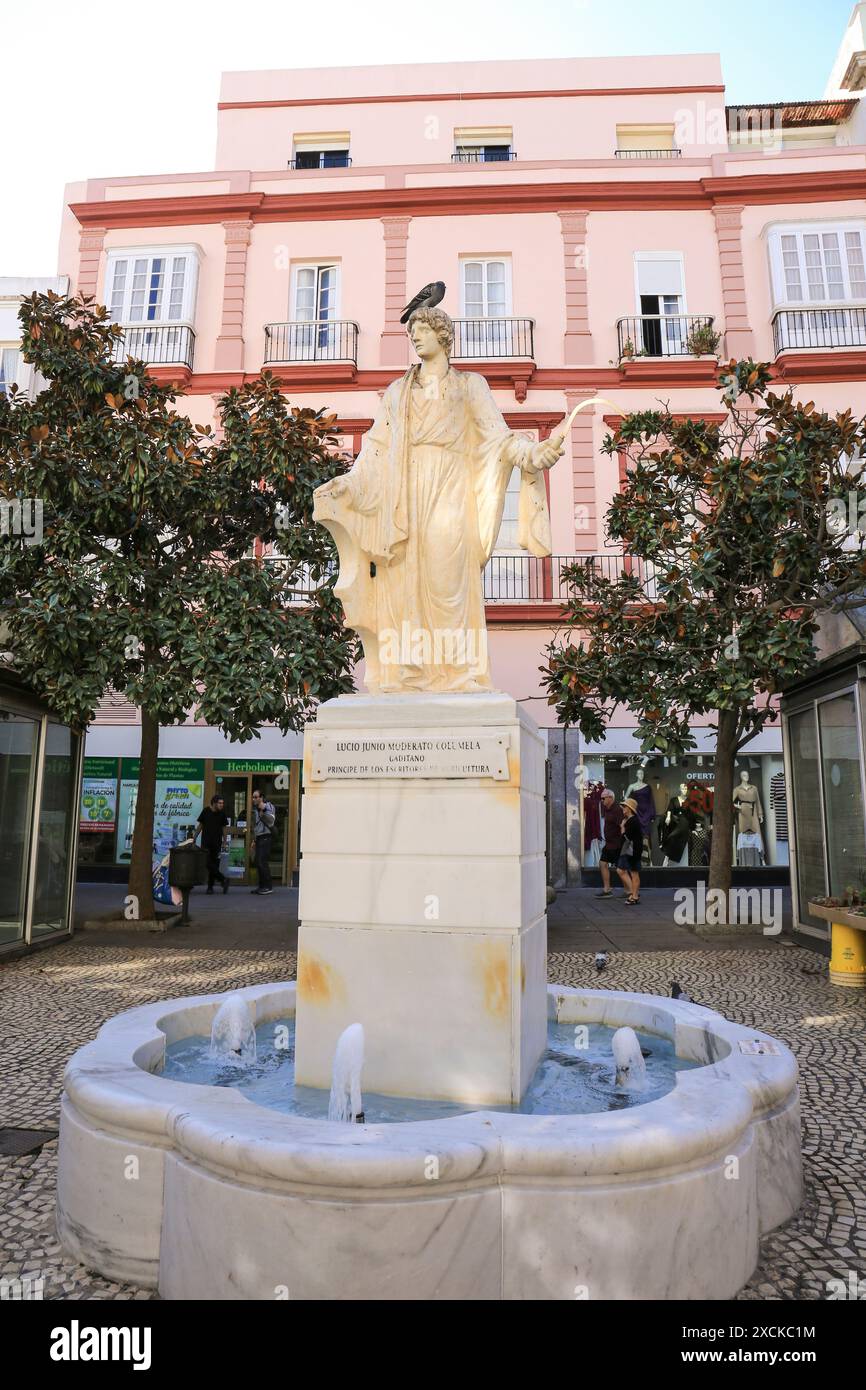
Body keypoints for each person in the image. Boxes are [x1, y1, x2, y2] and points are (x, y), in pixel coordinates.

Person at [196, 794, 230, 894]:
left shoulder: (222, 814)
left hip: (217, 843)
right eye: (220, 803)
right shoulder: (206, 811)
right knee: (207, 863)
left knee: (214, 864)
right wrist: (194, 837)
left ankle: (210, 887)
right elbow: (200, 825)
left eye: (222, 803)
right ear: (214, 803)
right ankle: (223, 879)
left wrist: (224, 842)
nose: (221, 805)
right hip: (206, 843)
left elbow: (224, 829)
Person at [595, 789, 624, 898]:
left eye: (603, 798)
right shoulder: (607, 809)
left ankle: (630, 891)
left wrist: (623, 842)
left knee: (621, 869)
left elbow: (622, 825)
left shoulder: (617, 809)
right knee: (603, 863)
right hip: (609, 844)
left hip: (617, 844)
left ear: (610, 798)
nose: (602, 800)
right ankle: (607, 889)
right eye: (601, 798)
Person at [616, 797, 643, 905]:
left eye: (625, 807)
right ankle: (633, 893)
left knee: (633, 873)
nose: (623, 808)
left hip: (632, 851)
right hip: (629, 850)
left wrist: (622, 828)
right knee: (622, 870)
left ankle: (634, 895)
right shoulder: (630, 820)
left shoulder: (633, 821)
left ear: (630, 809)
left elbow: (627, 837)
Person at [251, 788, 276, 896]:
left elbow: (271, 819)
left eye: (256, 797)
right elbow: (256, 826)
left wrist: (264, 809)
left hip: (266, 836)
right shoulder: (256, 809)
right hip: (260, 837)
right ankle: (261, 886)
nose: (254, 799)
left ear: (261, 798)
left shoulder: (268, 806)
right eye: (253, 797)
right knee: (258, 862)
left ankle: (268, 887)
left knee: (262, 862)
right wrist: (254, 840)